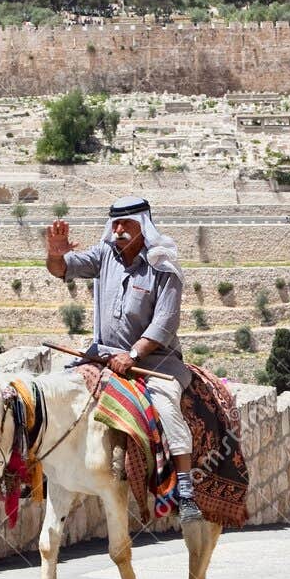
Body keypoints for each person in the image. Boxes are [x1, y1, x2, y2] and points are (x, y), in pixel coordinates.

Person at [46, 197, 203, 523]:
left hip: (156, 362)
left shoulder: (164, 268)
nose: (118, 230)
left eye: (125, 224)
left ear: (143, 225)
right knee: (57, 389)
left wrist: (132, 355)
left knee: (166, 406)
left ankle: (186, 492)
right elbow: (61, 269)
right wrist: (55, 252)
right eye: (114, 223)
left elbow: (165, 323)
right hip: (102, 355)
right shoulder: (104, 255)